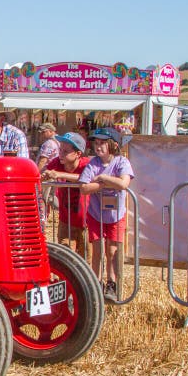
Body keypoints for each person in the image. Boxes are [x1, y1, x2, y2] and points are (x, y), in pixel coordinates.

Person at [79, 127, 134, 302]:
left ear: (113, 145)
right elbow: (84, 187)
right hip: (96, 214)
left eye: (102, 143)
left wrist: (101, 178)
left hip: (116, 215)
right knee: (97, 250)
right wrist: (106, 184)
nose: (98, 146)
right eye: (96, 143)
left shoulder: (121, 162)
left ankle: (112, 282)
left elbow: (124, 183)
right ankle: (97, 283)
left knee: (112, 250)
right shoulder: (92, 163)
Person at [41, 132, 90, 257]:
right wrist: (44, 175)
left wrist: (60, 175)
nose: (61, 154)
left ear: (78, 154)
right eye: (60, 150)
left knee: (86, 257)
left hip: (87, 222)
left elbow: (87, 178)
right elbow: (43, 174)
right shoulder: (57, 163)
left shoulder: (86, 165)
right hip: (66, 221)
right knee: (65, 255)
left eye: (65, 151)